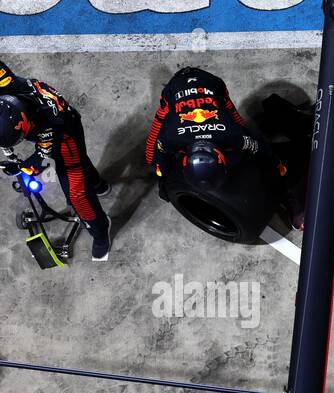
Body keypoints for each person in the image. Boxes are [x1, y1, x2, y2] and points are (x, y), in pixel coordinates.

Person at [0, 59, 111, 259]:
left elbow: (41, 160)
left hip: (65, 135)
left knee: (77, 194)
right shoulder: (6, 84)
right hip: (45, 125)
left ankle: (101, 231)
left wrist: (20, 168)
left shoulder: (51, 124)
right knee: (83, 169)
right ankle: (97, 183)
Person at [144, 67, 277, 201]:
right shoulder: (171, 139)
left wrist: (162, 177)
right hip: (184, 87)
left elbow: (258, 144)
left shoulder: (233, 135)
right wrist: (275, 162)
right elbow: (260, 146)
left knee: (237, 120)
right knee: (151, 155)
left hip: (207, 84)